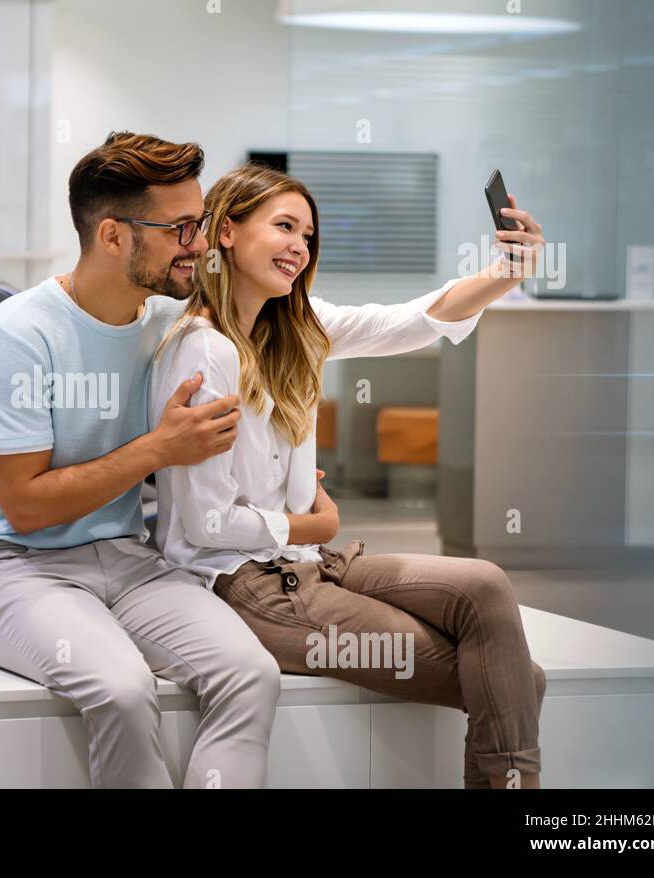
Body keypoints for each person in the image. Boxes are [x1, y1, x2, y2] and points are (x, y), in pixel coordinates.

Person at [150, 162, 548, 788]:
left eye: (307, 236)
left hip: (308, 562)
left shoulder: (298, 329)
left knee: (485, 585)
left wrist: (507, 272)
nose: (299, 248)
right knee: (518, 680)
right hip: (239, 583)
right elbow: (205, 525)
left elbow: (413, 320)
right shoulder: (204, 348)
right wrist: (312, 520)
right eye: (284, 227)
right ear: (226, 231)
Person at [0, 133, 281, 788]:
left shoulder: (170, 323)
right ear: (112, 236)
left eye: (201, 224)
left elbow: (337, 322)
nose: (198, 243)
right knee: (125, 690)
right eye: (180, 228)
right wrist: (160, 448)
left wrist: (492, 279)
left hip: (129, 561)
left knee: (252, 675)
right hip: (15, 566)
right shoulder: (20, 334)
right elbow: (24, 503)